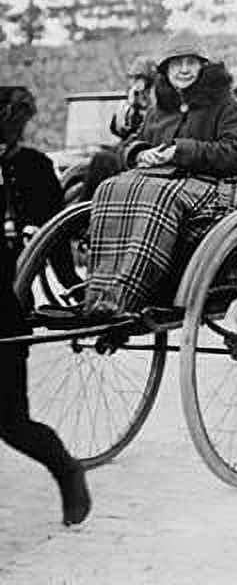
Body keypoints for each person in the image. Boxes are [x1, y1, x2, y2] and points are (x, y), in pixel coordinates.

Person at [83, 30, 237, 323]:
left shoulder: (224, 103)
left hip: (213, 183)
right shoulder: (160, 105)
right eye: (176, 63)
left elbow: (236, 154)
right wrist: (140, 153)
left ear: (203, 66)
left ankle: (127, 295)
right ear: (166, 69)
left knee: (158, 196)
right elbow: (134, 140)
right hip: (164, 178)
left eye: (191, 62)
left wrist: (179, 151)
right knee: (109, 188)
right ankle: (99, 291)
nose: (183, 70)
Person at [0, 86, 91, 526]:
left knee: (11, 423)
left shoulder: (34, 167)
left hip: (5, 308)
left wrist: (73, 287)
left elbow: (56, 238)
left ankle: (67, 471)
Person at [83, 55, 159, 201]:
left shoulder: (156, 99)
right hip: (126, 149)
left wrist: (138, 110)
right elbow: (118, 128)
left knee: (101, 160)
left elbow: (143, 131)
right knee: (88, 164)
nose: (135, 83)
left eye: (139, 78)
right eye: (133, 78)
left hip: (140, 156)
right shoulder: (130, 100)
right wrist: (130, 107)